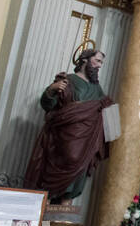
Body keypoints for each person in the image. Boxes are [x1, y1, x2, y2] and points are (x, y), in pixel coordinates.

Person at [24, 47, 114, 201]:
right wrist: (52, 90)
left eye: (101, 63)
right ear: (85, 59)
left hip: (86, 142)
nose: (99, 65)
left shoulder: (96, 88)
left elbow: (107, 110)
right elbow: (48, 105)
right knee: (68, 163)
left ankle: (63, 218)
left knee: (76, 177)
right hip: (65, 138)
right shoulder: (68, 80)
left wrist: (114, 125)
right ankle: (46, 222)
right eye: (97, 61)